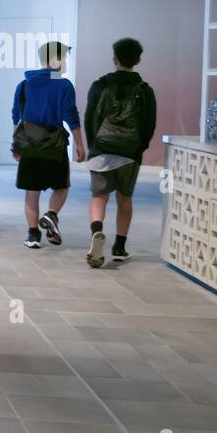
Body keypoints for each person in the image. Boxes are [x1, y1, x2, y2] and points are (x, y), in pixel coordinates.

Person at [83, 37, 156, 268]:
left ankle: (97, 231)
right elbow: (149, 124)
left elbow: (89, 118)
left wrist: (94, 144)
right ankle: (120, 247)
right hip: (129, 151)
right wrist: (139, 148)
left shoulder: (99, 85)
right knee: (124, 199)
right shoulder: (145, 90)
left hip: (102, 149)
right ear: (138, 60)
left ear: (114, 58)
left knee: (99, 197)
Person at [11, 40, 85, 249]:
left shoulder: (24, 84)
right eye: (64, 59)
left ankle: (33, 235)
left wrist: (16, 145)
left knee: (31, 191)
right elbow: (71, 116)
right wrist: (79, 144)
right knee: (61, 187)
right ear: (55, 60)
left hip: (29, 145)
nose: (66, 63)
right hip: (55, 145)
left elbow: (16, 116)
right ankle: (51, 215)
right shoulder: (63, 84)